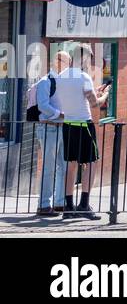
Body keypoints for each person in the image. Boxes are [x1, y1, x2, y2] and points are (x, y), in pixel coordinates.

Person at [57, 46, 111, 220]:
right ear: (84, 58)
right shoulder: (84, 77)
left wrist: (93, 93)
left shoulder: (61, 76)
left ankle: (68, 206)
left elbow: (75, 97)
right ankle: (84, 204)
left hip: (68, 124)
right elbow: (94, 104)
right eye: (88, 59)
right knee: (91, 163)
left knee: (71, 165)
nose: (89, 63)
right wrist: (105, 95)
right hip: (84, 124)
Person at [31, 50, 69, 217]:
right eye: (65, 62)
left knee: (64, 166)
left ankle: (60, 203)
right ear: (56, 61)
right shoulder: (46, 81)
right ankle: (44, 205)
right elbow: (43, 106)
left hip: (62, 128)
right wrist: (60, 114)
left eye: (69, 63)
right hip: (49, 128)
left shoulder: (64, 82)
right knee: (49, 167)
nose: (67, 66)